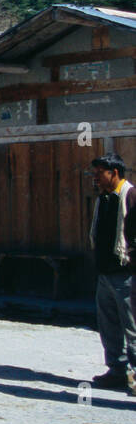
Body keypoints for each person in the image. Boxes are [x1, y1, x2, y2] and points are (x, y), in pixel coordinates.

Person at [88, 153, 136, 392]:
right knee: (108, 324)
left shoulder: (131, 196)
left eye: (99, 174)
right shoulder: (104, 199)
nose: (96, 178)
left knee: (132, 326)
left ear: (114, 173)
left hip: (126, 273)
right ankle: (117, 371)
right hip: (105, 272)